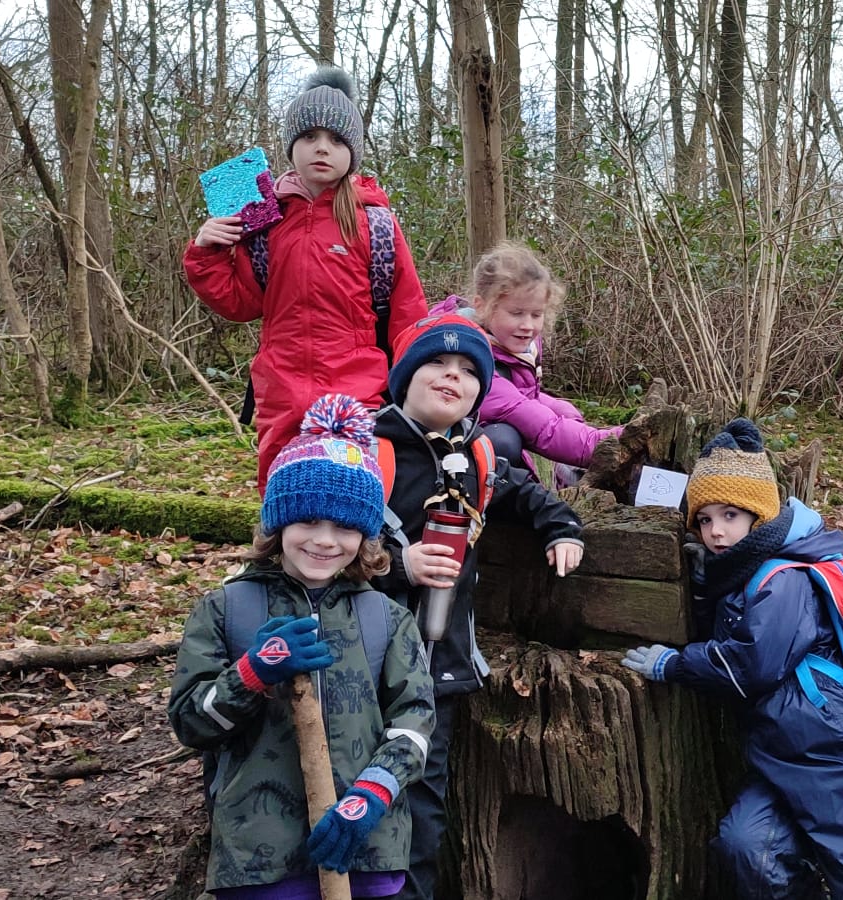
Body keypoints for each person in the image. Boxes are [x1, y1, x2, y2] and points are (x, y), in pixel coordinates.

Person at [619, 419, 843, 900]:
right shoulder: (741, 574)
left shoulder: (784, 578)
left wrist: (674, 665)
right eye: (704, 519)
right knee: (748, 847)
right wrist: (702, 588)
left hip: (828, 750)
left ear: (760, 516)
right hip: (777, 751)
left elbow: (755, 662)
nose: (716, 531)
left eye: (730, 515)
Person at [168, 393, 436, 898]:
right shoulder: (226, 609)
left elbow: (416, 721)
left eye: (345, 527)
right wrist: (252, 673)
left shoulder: (386, 618)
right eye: (308, 521)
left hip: (367, 849)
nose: (325, 540)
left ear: (366, 535)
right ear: (279, 522)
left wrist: (373, 793)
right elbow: (190, 723)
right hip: (260, 857)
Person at [366, 313, 587, 900]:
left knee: (423, 801)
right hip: (362, 664)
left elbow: (530, 495)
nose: (452, 376)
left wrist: (563, 529)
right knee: (356, 789)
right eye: (436, 363)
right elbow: (322, 543)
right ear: (404, 377)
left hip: (438, 668)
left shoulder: (479, 457)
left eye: (468, 371)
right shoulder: (367, 451)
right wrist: (398, 563)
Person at [184, 65, 430, 491]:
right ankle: (277, 537)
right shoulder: (262, 219)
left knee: (351, 490)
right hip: (280, 387)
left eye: (336, 140)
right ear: (291, 145)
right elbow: (241, 303)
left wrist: (417, 385)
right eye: (310, 136)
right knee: (281, 492)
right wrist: (207, 252)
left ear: (353, 151)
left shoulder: (376, 223)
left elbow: (408, 313)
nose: (322, 148)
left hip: (357, 388)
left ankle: (354, 538)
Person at [426, 242, 619, 486]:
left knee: (562, 411)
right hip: (446, 456)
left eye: (536, 314)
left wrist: (563, 411)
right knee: (504, 440)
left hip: (491, 424)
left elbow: (525, 396)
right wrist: (617, 442)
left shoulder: (510, 342)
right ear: (482, 306)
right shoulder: (465, 358)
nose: (528, 325)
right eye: (516, 313)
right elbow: (537, 424)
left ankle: (559, 478)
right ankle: (495, 500)